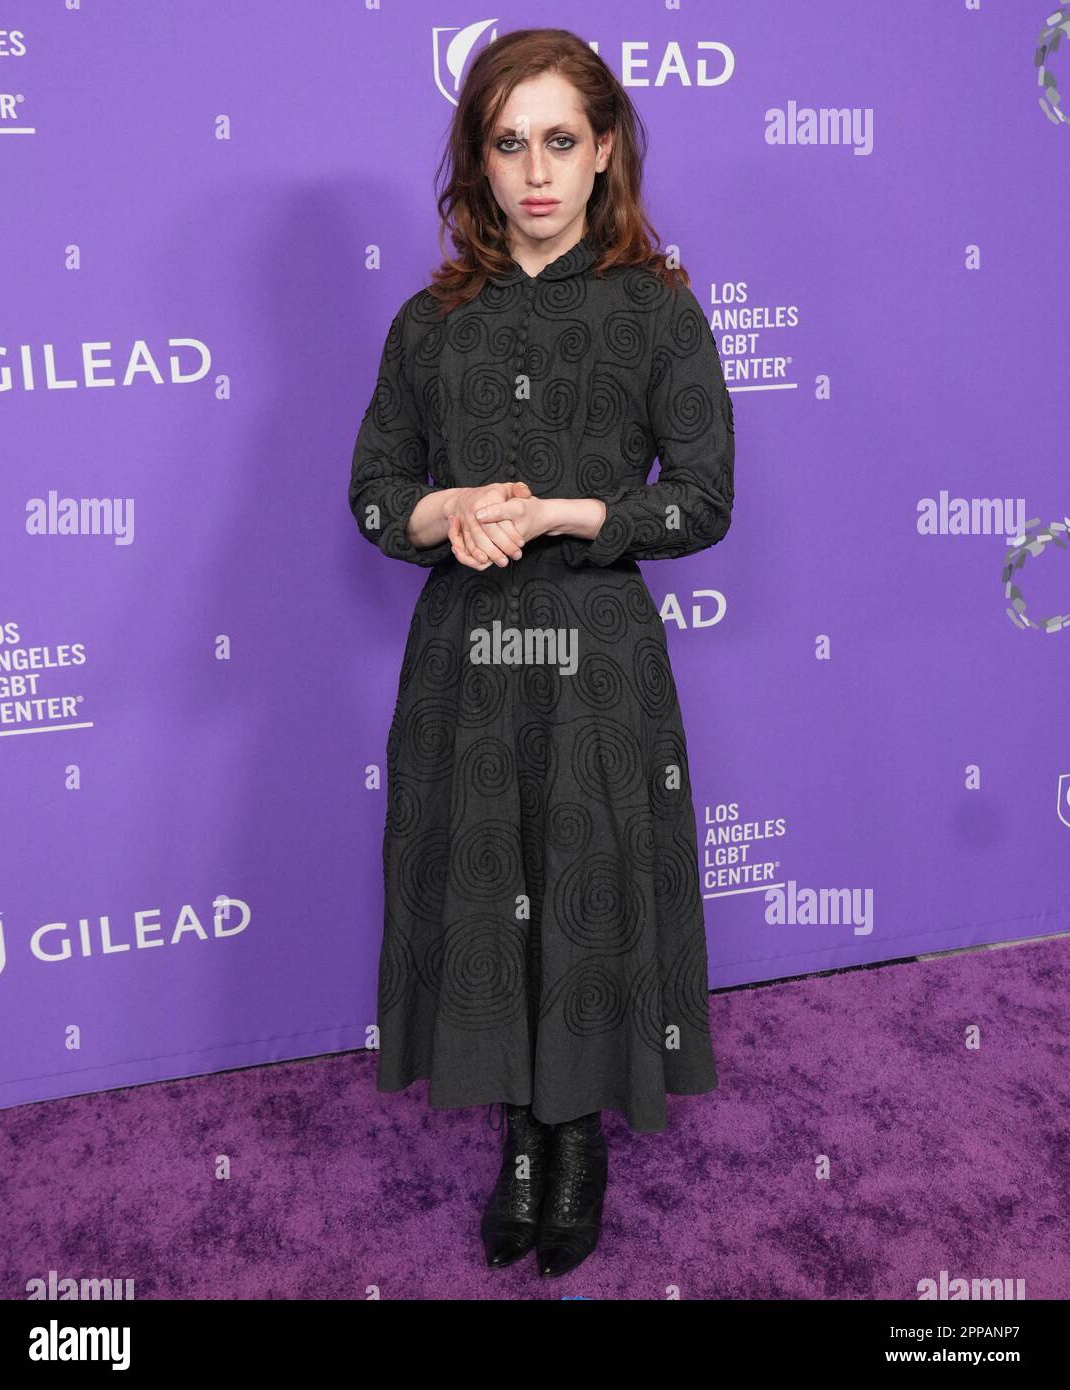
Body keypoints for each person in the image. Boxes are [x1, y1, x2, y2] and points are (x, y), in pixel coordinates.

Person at [348, 26, 735, 1279]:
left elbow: (705, 502)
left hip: (595, 661)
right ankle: (519, 1136)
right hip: (463, 655)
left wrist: (573, 513)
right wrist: (444, 512)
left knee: (577, 891)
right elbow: (370, 493)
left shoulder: (656, 309)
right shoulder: (429, 323)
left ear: (605, 148)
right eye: (508, 142)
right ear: (475, 157)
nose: (535, 172)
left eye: (560, 141)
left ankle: (576, 1150)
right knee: (484, 890)